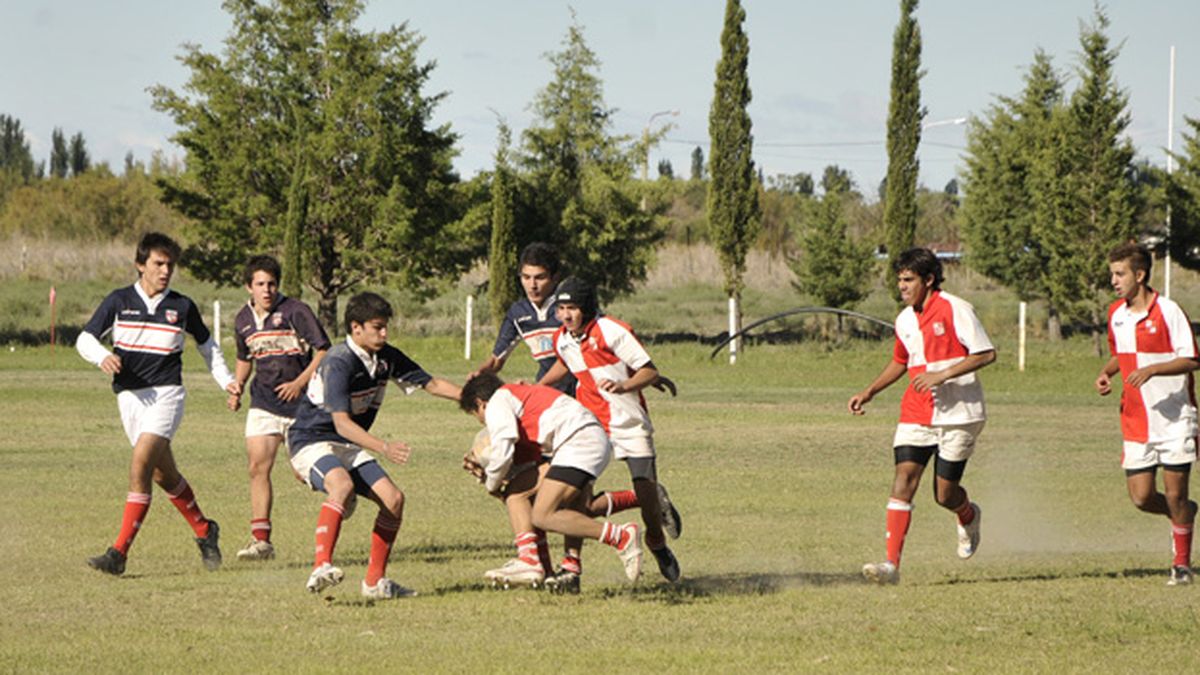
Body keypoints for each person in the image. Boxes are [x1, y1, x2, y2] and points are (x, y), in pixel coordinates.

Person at [77, 232, 240, 576]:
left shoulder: (181, 306)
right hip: (129, 397)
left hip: (166, 395)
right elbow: (85, 339)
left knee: (140, 465)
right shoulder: (119, 300)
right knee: (164, 475)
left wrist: (226, 380)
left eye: (170, 265)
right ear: (140, 265)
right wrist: (102, 356)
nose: (165, 271)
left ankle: (118, 553)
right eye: (158, 263)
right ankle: (205, 530)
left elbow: (208, 347)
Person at [287, 291, 461, 599]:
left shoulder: (385, 358)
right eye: (378, 327)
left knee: (393, 500)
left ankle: (374, 583)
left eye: (385, 327)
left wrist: (477, 398)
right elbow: (341, 423)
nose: (384, 334)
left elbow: (432, 384)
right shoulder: (339, 361)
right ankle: (321, 566)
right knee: (341, 485)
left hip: (347, 443)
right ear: (356, 328)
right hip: (312, 440)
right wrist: (384, 447)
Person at [848, 247, 995, 585]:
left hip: (959, 414)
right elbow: (900, 361)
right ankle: (891, 566)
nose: (902, 286)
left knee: (944, 495)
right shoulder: (904, 319)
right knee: (903, 481)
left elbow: (986, 353)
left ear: (928, 280)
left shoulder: (956, 308)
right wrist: (869, 391)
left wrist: (942, 375)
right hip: (916, 413)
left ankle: (967, 514)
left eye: (909, 279)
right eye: (899, 279)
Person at [539, 277, 682, 583]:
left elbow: (648, 369)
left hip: (628, 422)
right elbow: (566, 364)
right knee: (578, 501)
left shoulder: (611, 330)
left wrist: (625, 385)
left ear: (587, 307)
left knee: (647, 498)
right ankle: (571, 566)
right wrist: (539, 386)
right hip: (590, 427)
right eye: (561, 309)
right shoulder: (562, 338)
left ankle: (656, 541)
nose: (565, 315)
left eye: (572, 308)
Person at [459, 373, 644, 592]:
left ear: (481, 403)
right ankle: (540, 567)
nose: (483, 422)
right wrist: (491, 478)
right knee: (518, 493)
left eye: (477, 415)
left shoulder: (498, 400)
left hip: (578, 442)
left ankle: (621, 536)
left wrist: (491, 482)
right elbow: (520, 472)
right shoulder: (517, 399)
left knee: (543, 515)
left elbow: (502, 451)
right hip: (582, 440)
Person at [1096, 242, 1197, 586]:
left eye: (1119, 274)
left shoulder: (1168, 311)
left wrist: (1154, 370)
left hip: (1174, 417)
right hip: (1136, 419)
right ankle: (1184, 516)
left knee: (1175, 494)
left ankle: (1181, 565)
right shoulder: (1117, 314)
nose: (1114, 281)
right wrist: (1107, 372)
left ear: (1139, 275)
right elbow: (1123, 354)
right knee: (1141, 497)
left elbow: (1192, 358)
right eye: (1112, 274)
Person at [226, 255, 331, 561]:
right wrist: (238, 387)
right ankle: (262, 542)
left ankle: (342, 491)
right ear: (249, 287)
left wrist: (299, 383)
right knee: (257, 467)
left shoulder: (296, 311)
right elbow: (245, 359)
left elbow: (323, 351)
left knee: (302, 473)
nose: (267, 290)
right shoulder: (243, 320)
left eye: (271, 284)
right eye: (260, 284)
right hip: (263, 403)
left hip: (303, 405)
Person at [472, 242, 576, 394]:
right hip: (548, 392)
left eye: (539, 278)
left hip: (583, 391)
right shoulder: (518, 313)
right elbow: (496, 359)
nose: (532, 285)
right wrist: (480, 374)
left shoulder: (571, 306)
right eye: (526, 277)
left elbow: (573, 359)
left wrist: (537, 387)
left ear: (555, 278)